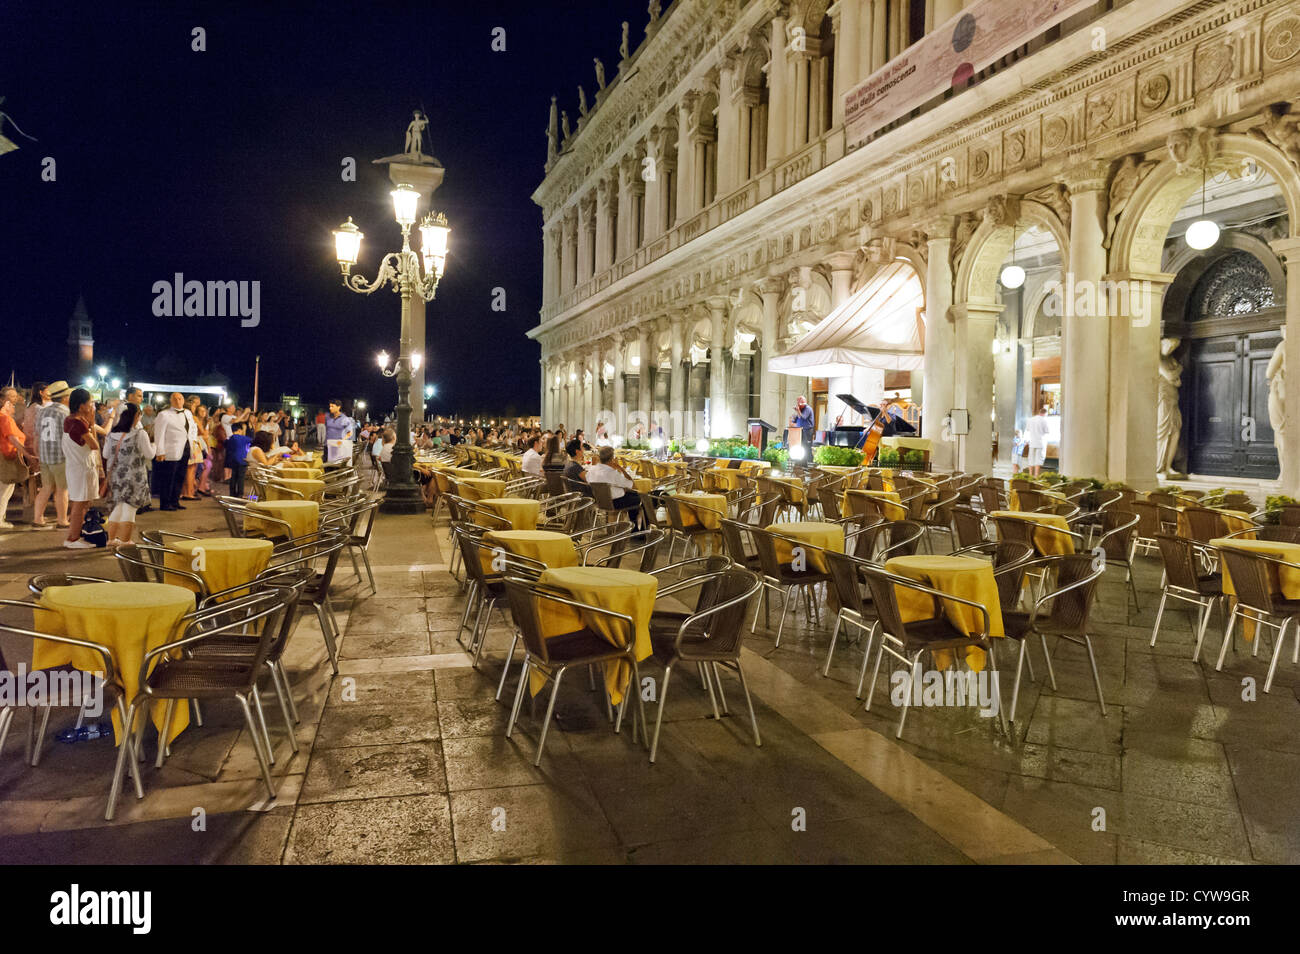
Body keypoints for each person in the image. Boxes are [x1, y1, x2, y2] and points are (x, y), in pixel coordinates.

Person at [103, 402, 154, 546]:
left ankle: (112, 539)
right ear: (136, 416)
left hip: (116, 477)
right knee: (130, 508)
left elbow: (106, 454)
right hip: (134, 477)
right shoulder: (140, 433)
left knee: (119, 506)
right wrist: (155, 446)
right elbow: (149, 454)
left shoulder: (112, 434)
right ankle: (126, 541)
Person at [60, 388, 101, 549]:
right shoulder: (77, 422)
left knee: (82, 502)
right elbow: (94, 445)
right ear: (81, 405)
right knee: (79, 503)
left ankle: (75, 535)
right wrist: (91, 423)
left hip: (78, 466)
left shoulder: (71, 420)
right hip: (80, 467)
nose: (92, 406)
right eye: (89, 402)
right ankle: (72, 538)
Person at [33, 380, 72, 529]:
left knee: (46, 488)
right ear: (65, 397)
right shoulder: (65, 413)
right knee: (62, 489)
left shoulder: (41, 411)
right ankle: (62, 520)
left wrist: (38, 454)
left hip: (44, 456)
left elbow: (36, 436)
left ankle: (38, 519)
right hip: (60, 456)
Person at [153, 391, 196, 511]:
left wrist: (194, 444)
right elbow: (159, 434)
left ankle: (175, 501)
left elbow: (193, 429)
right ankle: (165, 503)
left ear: (184, 400)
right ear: (171, 401)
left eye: (180, 398)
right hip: (171, 450)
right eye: (175, 399)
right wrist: (160, 451)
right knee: (168, 478)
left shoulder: (188, 413)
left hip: (186, 448)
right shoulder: (164, 414)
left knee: (180, 476)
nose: (178, 401)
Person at [585, 445, 643, 530]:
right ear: (612, 458)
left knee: (632, 497)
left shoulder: (592, 470)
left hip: (599, 501)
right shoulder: (612, 473)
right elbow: (632, 485)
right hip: (615, 503)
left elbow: (589, 481)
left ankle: (634, 529)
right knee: (640, 499)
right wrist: (620, 468)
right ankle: (639, 531)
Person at [0, 386, 30, 529]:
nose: (15, 399)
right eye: (11, 397)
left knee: (6, 490)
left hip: (7, 455)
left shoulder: (5, 417)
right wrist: (27, 453)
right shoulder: (5, 418)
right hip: (7, 457)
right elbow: (13, 439)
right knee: (4, 490)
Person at [21, 380, 48, 521]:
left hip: (28, 445)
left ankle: (31, 511)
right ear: (41, 392)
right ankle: (38, 514)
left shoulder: (29, 407)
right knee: (39, 482)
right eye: (47, 390)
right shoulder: (39, 408)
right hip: (36, 447)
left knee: (31, 480)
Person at [224, 421, 252, 496]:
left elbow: (226, 446)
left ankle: (232, 494)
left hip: (232, 461)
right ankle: (240, 494)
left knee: (233, 478)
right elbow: (252, 441)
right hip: (242, 460)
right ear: (240, 430)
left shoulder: (229, 439)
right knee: (241, 478)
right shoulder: (244, 438)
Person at [1025, 405, 1051, 477]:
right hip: (1040, 442)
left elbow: (1027, 430)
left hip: (1032, 442)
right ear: (1044, 414)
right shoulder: (1044, 420)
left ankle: (1030, 475)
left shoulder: (1030, 419)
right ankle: (1036, 476)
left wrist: (1026, 440)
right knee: (1038, 460)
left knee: (1031, 459)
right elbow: (1047, 431)